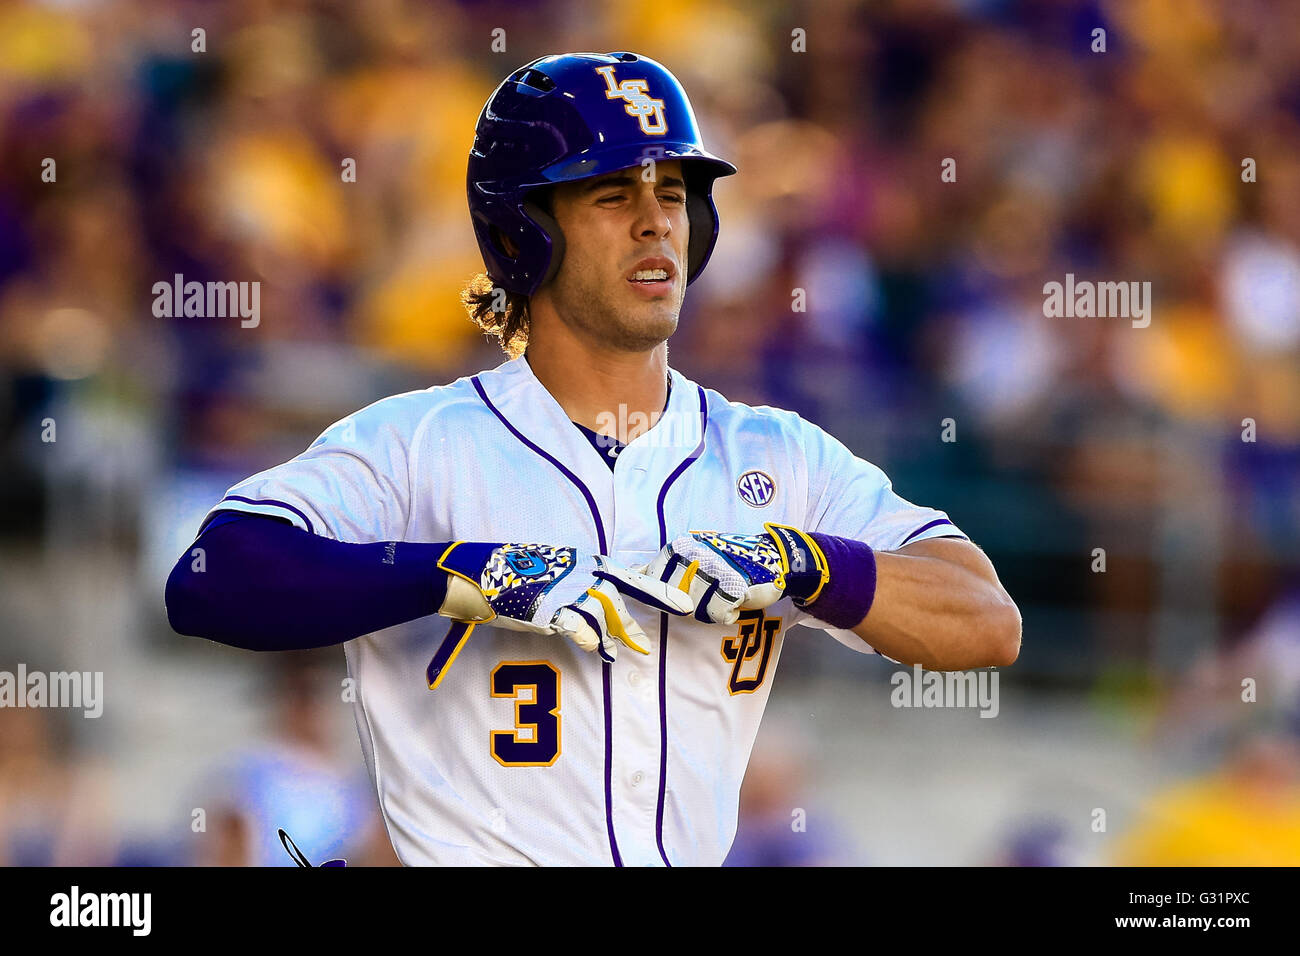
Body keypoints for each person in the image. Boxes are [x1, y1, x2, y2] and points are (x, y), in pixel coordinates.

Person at [165, 51, 1021, 867]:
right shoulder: (421, 443)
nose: (657, 222)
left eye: (675, 193)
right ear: (522, 232)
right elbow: (209, 577)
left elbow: (986, 619)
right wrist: (460, 575)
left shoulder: (776, 454)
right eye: (613, 195)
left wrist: (806, 563)